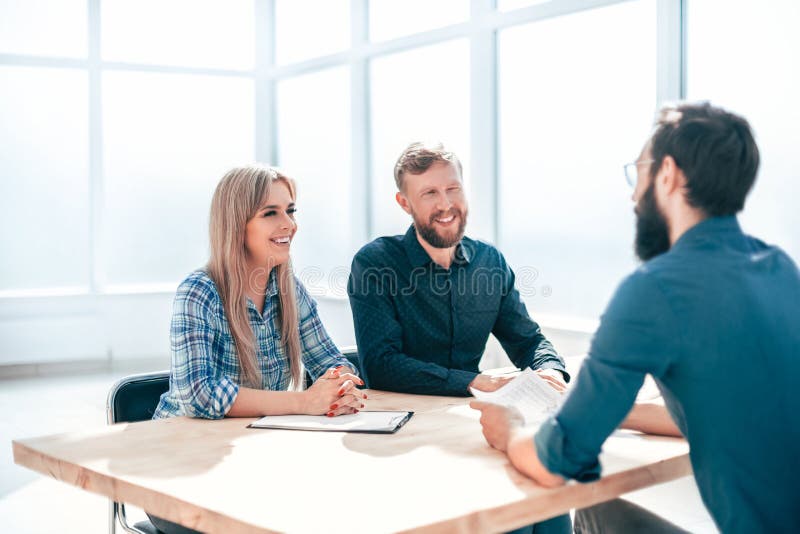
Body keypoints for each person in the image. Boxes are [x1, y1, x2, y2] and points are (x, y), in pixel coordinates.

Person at [472, 102, 800, 533]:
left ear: (668, 174)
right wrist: (600, 408)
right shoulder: (781, 270)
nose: (633, 196)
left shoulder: (656, 289)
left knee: (583, 506)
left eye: (639, 173)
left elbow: (556, 463)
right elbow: (715, 411)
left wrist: (511, 430)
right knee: (597, 512)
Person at [348, 143, 571, 533]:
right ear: (404, 203)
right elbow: (381, 365)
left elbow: (528, 340)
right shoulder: (376, 263)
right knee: (514, 518)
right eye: (430, 193)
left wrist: (550, 371)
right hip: (408, 437)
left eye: (453, 189)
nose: (446, 204)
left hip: (471, 425)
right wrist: (473, 381)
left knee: (549, 495)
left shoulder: (490, 262)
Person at [150, 165, 366, 534]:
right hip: (180, 473)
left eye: (290, 210)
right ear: (237, 224)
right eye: (270, 213)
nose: (288, 224)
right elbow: (199, 395)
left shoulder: (289, 289)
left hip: (251, 461)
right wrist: (305, 402)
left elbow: (329, 360)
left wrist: (340, 385)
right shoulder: (199, 291)